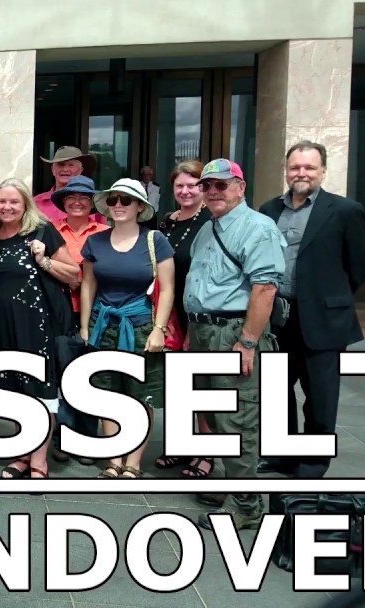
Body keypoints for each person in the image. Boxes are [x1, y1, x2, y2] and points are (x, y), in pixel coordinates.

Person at [258, 141, 365, 479]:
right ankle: (282, 456)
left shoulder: (346, 210)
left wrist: (328, 297)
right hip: (277, 318)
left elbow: (359, 265)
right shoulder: (268, 210)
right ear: (286, 170)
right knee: (276, 393)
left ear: (322, 171)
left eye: (308, 167)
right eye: (295, 167)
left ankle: (312, 462)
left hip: (324, 319)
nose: (301, 173)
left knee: (320, 396)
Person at [183, 158, 285, 530]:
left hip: (232, 335)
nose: (212, 192)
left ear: (240, 187)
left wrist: (247, 341)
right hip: (204, 333)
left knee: (237, 421)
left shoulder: (258, 228)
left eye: (222, 185)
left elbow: (265, 288)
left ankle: (247, 506)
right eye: (207, 186)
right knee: (213, 416)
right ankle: (235, 489)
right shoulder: (208, 228)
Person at [80, 179, 174, 480]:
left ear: (140, 207)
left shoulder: (155, 240)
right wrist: (84, 326)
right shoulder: (96, 241)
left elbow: (168, 288)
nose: (118, 206)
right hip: (102, 325)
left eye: (125, 200)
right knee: (106, 391)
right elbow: (88, 284)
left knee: (140, 394)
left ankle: (133, 461)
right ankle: (113, 458)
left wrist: (159, 328)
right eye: (113, 200)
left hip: (141, 325)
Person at [0, 178, 77, 480]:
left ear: (26, 204)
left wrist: (43, 259)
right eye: (2, 201)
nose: (7, 207)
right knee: (14, 388)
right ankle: (23, 451)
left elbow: (74, 274)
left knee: (39, 388)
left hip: (35, 324)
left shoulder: (42, 231)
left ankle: (39, 458)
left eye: (14, 202)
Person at [152, 160, 215, 478]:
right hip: (169, 310)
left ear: (203, 187)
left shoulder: (212, 221)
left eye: (193, 184)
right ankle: (179, 444)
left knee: (200, 384)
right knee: (175, 382)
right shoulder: (167, 222)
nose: (186, 191)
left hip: (198, 312)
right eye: (180, 186)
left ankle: (205, 453)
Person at [49, 175, 109, 463]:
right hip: (60, 311)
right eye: (71, 197)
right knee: (63, 375)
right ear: (63, 202)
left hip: (97, 312)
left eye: (83, 198)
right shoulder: (51, 232)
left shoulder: (106, 231)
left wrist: (76, 278)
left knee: (91, 376)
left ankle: (87, 438)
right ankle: (64, 435)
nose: (76, 202)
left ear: (91, 203)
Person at [35, 146, 107, 224]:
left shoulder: (94, 203)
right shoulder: (36, 202)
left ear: (81, 171)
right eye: (61, 164)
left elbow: (103, 234)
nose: (65, 169)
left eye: (71, 165)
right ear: (52, 170)